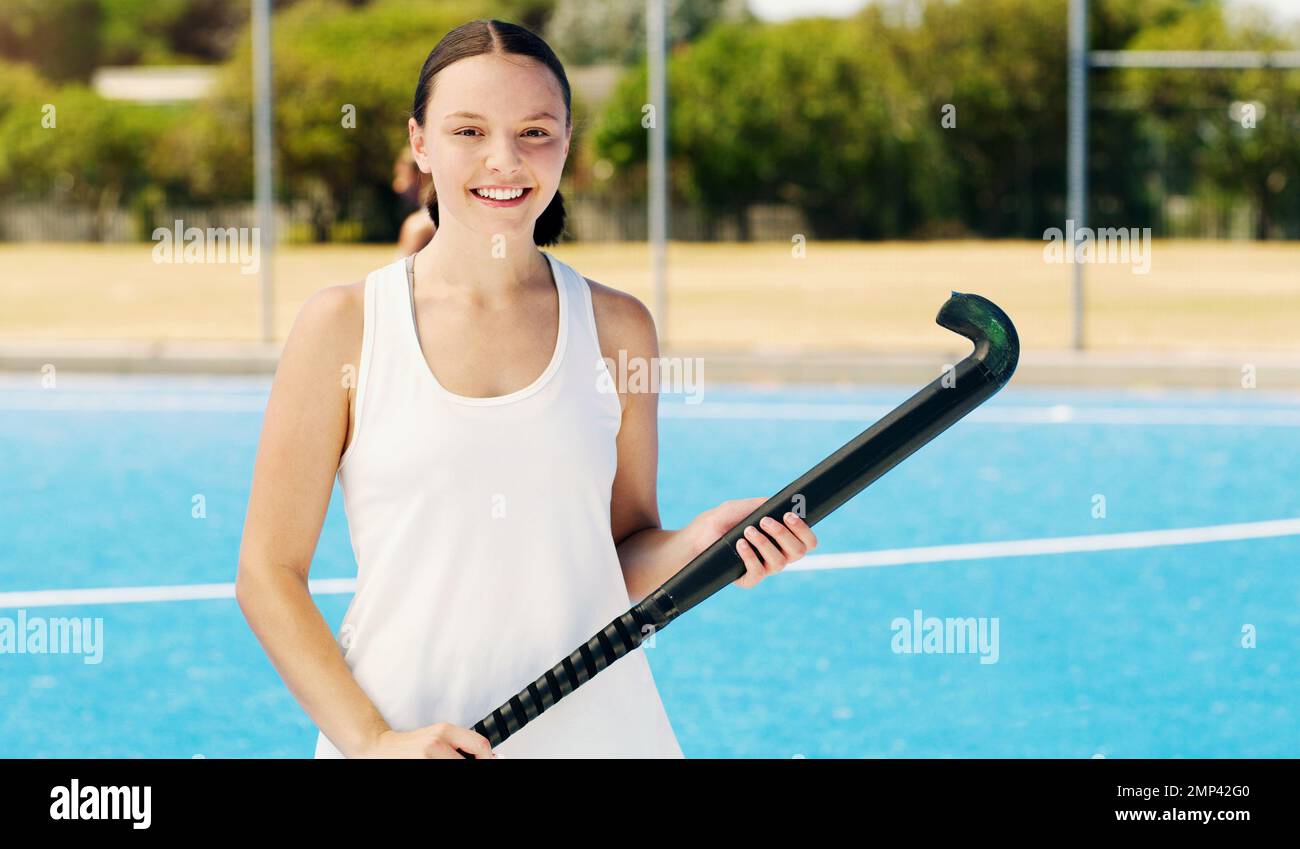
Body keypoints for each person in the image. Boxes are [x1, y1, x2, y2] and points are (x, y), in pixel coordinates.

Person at [235, 18, 817, 759]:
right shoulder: (343, 325)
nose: (504, 160)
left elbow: (622, 553)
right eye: (469, 131)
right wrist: (374, 740)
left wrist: (701, 543)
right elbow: (266, 572)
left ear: (567, 141)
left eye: (534, 132)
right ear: (420, 144)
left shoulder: (619, 329)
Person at [393, 145, 435, 256]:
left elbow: (401, 272)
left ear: (420, 174)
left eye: (402, 175)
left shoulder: (418, 225)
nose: (396, 185)